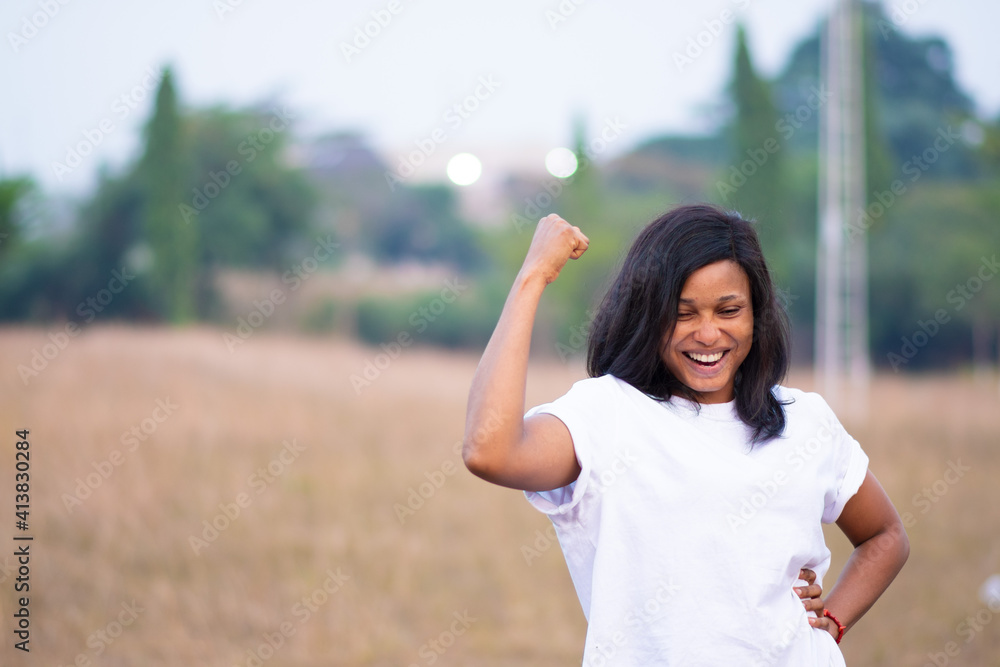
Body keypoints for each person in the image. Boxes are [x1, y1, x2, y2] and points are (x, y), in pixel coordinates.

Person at [463, 204, 909, 665]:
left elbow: (885, 534)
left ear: (757, 314)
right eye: (683, 313)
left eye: (729, 310)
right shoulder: (607, 413)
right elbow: (488, 450)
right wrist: (533, 276)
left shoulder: (806, 420)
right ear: (646, 315)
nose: (709, 333)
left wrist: (830, 623)